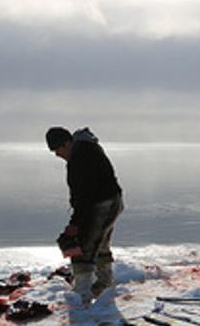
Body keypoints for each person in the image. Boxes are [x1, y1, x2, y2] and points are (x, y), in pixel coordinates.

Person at [46, 126, 124, 304]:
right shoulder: (86, 149)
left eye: (58, 148)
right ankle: (104, 283)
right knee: (101, 242)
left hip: (101, 204)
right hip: (113, 201)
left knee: (81, 246)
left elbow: (84, 195)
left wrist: (75, 224)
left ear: (68, 142)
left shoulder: (80, 157)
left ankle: (82, 293)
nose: (57, 154)